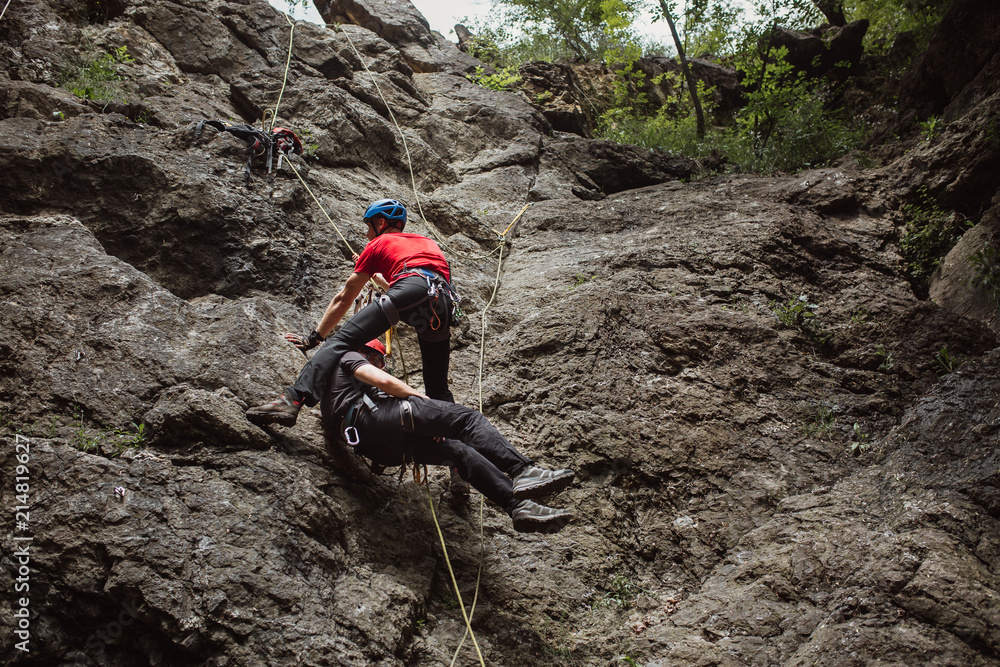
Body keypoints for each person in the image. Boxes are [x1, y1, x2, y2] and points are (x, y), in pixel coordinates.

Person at [321, 340, 575, 533]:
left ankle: (518, 505)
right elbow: (382, 381)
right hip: (374, 420)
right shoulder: (350, 356)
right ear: (365, 353)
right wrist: (425, 403)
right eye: (378, 360)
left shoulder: (336, 393)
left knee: (458, 450)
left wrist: (426, 428)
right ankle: (522, 469)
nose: (380, 366)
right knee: (466, 419)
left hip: (376, 447)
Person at [247, 198, 459, 427]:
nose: (368, 234)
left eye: (369, 227)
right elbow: (417, 290)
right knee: (438, 387)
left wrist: (315, 337)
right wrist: (380, 278)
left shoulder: (378, 243)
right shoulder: (427, 243)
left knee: (340, 342)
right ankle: (454, 436)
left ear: (380, 222)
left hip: (412, 289)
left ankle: (292, 400)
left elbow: (344, 298)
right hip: (443, 305)